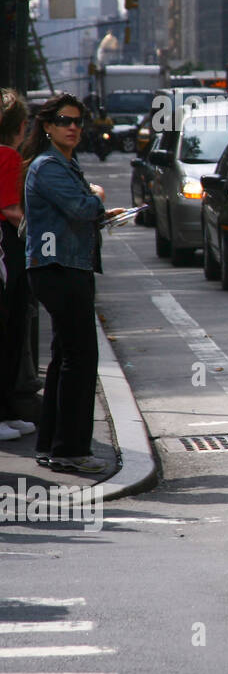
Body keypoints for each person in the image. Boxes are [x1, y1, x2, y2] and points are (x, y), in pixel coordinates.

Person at [21, 93, 125, 475]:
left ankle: (51, 444)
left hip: (67, 266)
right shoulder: (48, 166)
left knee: (66, 357)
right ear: (47, 126)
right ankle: (70, 450)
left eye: (78, 121)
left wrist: (100, 212)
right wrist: (97, 197)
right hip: (58, 268)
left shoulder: (65, 163)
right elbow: (82, 207)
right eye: (64, 120)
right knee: (80, 360)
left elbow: (78, 215)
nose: (73, 127)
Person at [0, 90, 33, 441]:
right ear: (22, 126)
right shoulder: (8, 155)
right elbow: (10, 209)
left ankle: (9, 411)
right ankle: (4, 412)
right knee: (11, 328)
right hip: (8, 247)